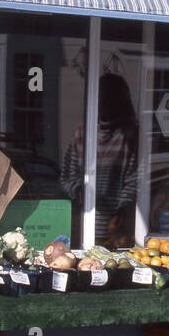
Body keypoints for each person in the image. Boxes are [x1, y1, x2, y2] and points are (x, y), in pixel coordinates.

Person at [61, 72, 139, 245]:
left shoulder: (130, 135)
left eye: (109, 99)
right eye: (101, 99)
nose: (104, 105)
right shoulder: (82, 133)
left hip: (120, 231)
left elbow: (135, 179)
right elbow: (68, 176)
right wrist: (80, 191)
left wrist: (122, 210)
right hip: (86, 227)